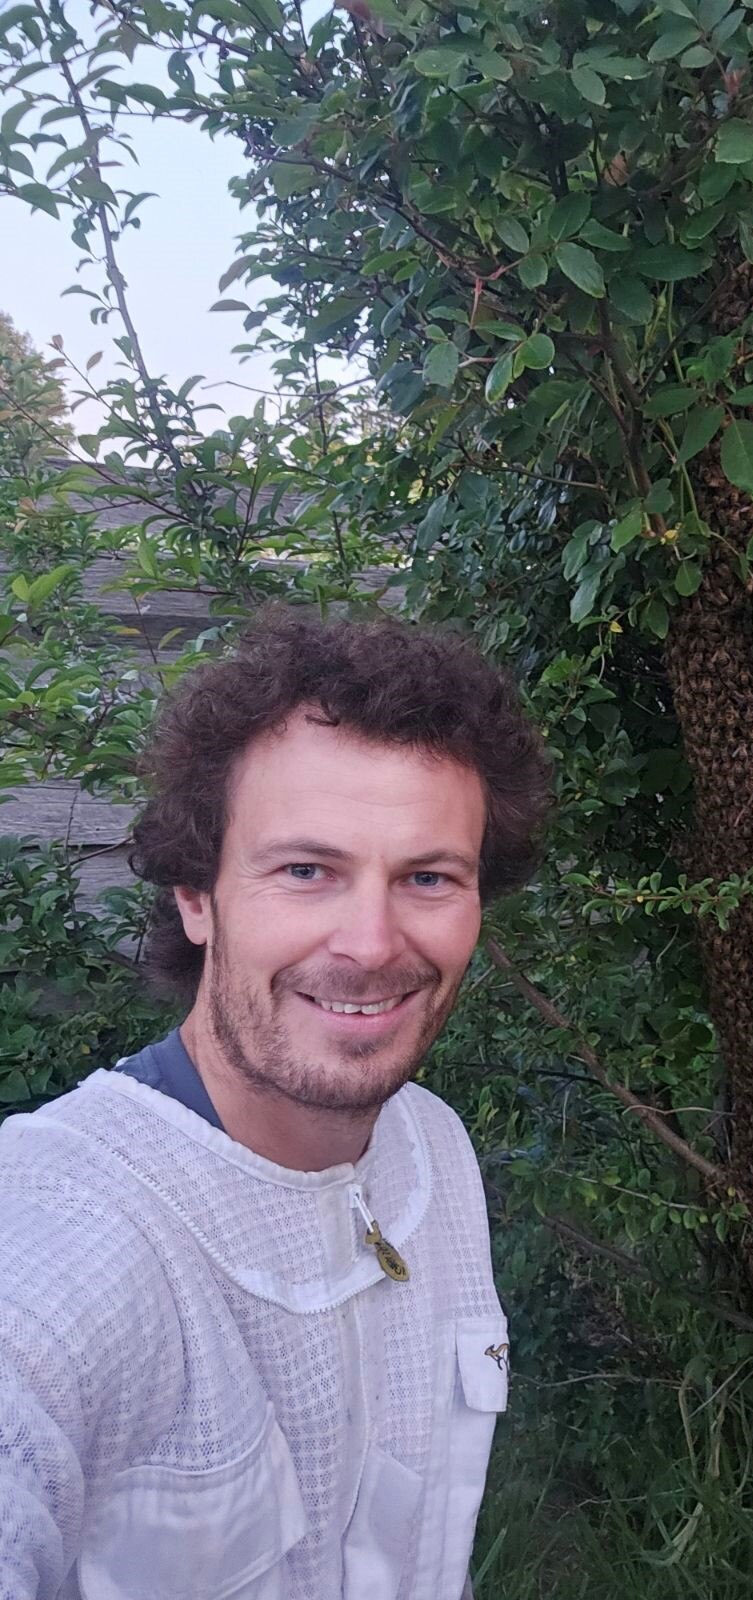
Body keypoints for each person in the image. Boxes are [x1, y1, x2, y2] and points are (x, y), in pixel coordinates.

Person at [0, 609, 551, 1599]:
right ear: (197, 895)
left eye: (428, 877)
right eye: (306, 870)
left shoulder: (433, 1148)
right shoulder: (65, 1232)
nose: (372, 943)